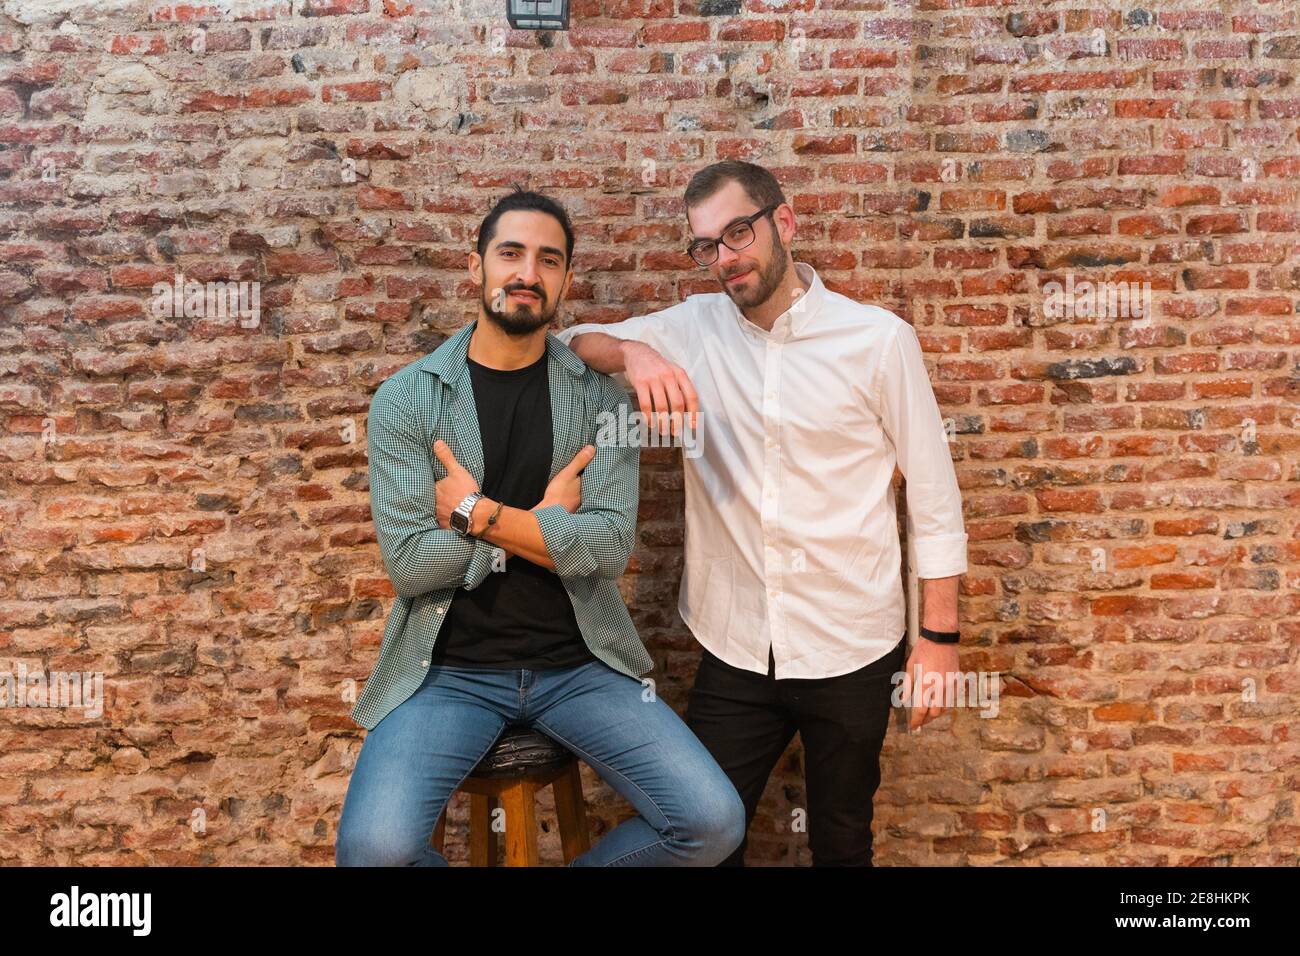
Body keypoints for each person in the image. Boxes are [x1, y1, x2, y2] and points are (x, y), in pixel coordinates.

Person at [555, 161, 969, 866]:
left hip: (854, 642)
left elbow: (932, 493)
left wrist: (938, 638)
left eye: (737, 233)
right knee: (709, 836)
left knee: (843, 837)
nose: (725, 258)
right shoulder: (695, 328)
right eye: (706, 245)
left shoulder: (878, 340)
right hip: (737, 645)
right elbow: (573, 342)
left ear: (784, 222)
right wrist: (635, 352)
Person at [336, 187, 746, 866]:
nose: (529, 272)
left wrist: (476, 515)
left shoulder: (600, 397)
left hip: (580, 666)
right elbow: (410, 565)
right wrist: (549, 529)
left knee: (710, 821)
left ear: (565, 281)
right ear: (477, 268)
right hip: (449, 671)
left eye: (549, 260)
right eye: (511, 254)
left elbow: (608, 549)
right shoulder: (408, 399)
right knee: (373, 852)